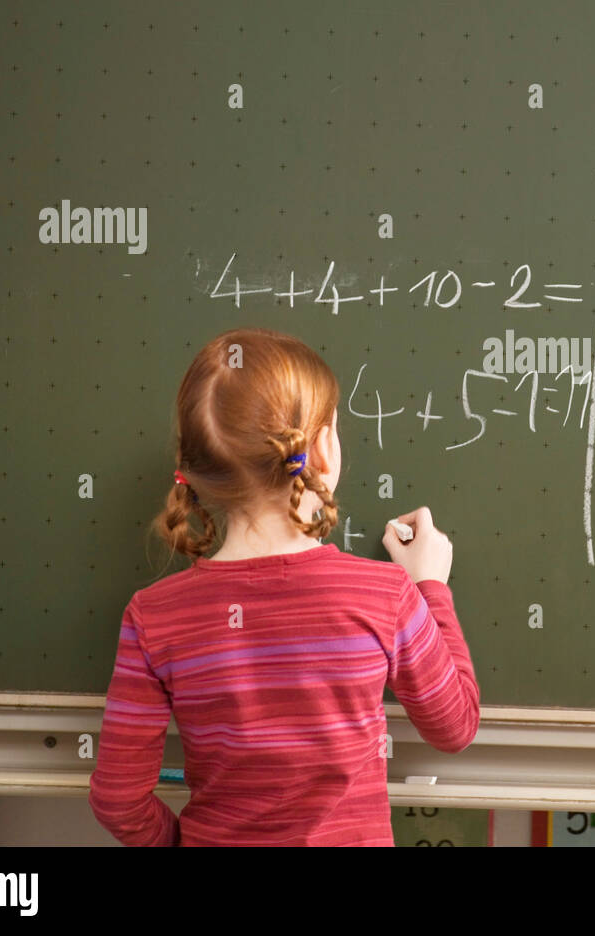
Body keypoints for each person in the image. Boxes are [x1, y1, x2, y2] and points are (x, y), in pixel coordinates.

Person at [87, 327, 479, 845]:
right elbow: (455, 726)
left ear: (196, 469)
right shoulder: (382, 596)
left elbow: (118, 800)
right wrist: (430, 586)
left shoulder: (153, 617)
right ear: (322, 449)